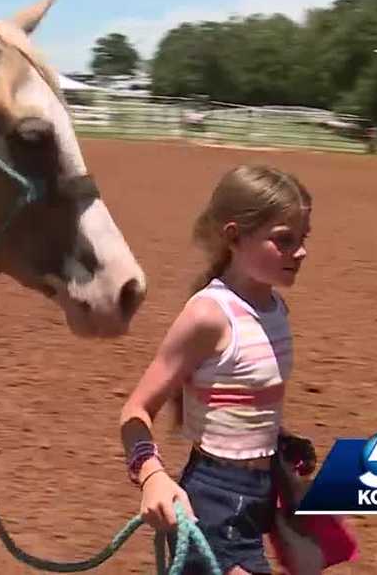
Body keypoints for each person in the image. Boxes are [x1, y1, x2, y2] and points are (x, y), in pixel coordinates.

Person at [119, 164, 318, 575]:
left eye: (302, 239)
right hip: (214, 503)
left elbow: (238, 395)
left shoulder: (275, 308)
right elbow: (134, 411)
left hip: (263, 491)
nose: (300, 252)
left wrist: (278, 438)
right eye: (284, 240)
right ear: (234, 237)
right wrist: (152, 475)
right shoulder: (209, 315)